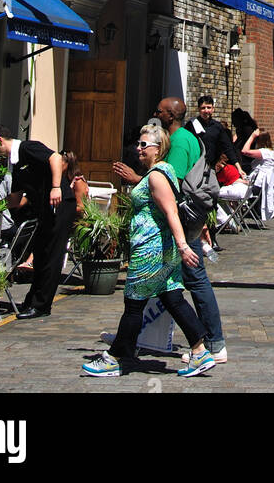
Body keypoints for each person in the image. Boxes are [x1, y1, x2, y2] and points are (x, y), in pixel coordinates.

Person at [82, 123, 213, 378]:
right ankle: (200, 351)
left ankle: (116, 357)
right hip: (160, 250)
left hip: (152, 251)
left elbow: (171, 212)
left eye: (144, 145)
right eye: (138, 144)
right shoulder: (159, 172)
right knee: (173, 298)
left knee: (133, 305)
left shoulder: (156, 175)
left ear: (158, 148)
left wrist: (184, 246)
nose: (139, 149)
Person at [115, 97, 228, 365]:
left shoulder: (178, 142)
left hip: (179, 225)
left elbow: (168, 185)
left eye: (159, 111)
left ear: (169, 117)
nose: (155, 114)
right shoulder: (189, 137)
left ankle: (212, 343)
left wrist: (135, 179)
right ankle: (130, 342)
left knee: (193, 281)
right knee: (173, 289)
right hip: (185, 224)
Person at [0, 125, 78, 319]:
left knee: (51, 254)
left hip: (60, 205)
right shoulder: (14, 163)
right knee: (40, 252)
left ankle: (41, 305)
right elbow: (17, 199)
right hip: (43, 209)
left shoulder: (26, 148)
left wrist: (56, 187)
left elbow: (55, 158)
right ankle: (33, 300)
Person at [187, 95, 248, 179]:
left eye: (209, 107)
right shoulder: (191, 125)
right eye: (203, 108)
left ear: (213, 109)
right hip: (194, 166)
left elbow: (228, 147)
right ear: (199, 109)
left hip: (210, 168)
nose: (206, 111)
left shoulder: (217, 126)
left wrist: (238, 167)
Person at [240, 128, 274, 221]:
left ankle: (236, 214)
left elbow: (244, 151)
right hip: (262, 186)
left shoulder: (264, 152)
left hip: (257, 187)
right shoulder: (270, 151)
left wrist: (252, 136)